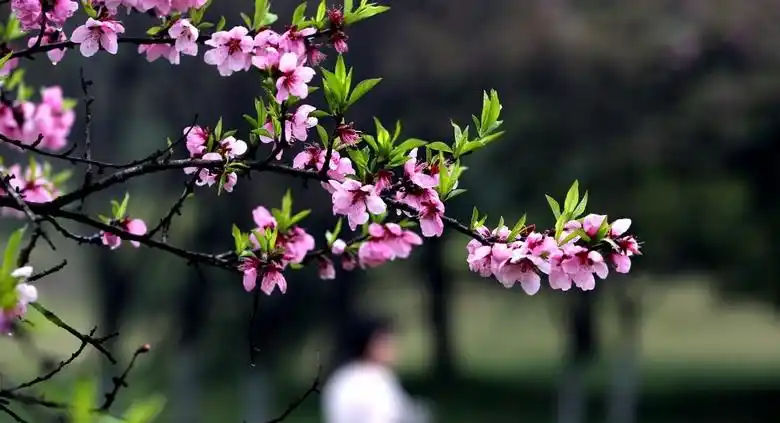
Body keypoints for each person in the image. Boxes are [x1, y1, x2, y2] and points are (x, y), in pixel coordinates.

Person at [321, 315, 430, 423]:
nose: (395, 348)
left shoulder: (339, 377)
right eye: (387, 342)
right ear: (370, 345)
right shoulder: (379, 380)